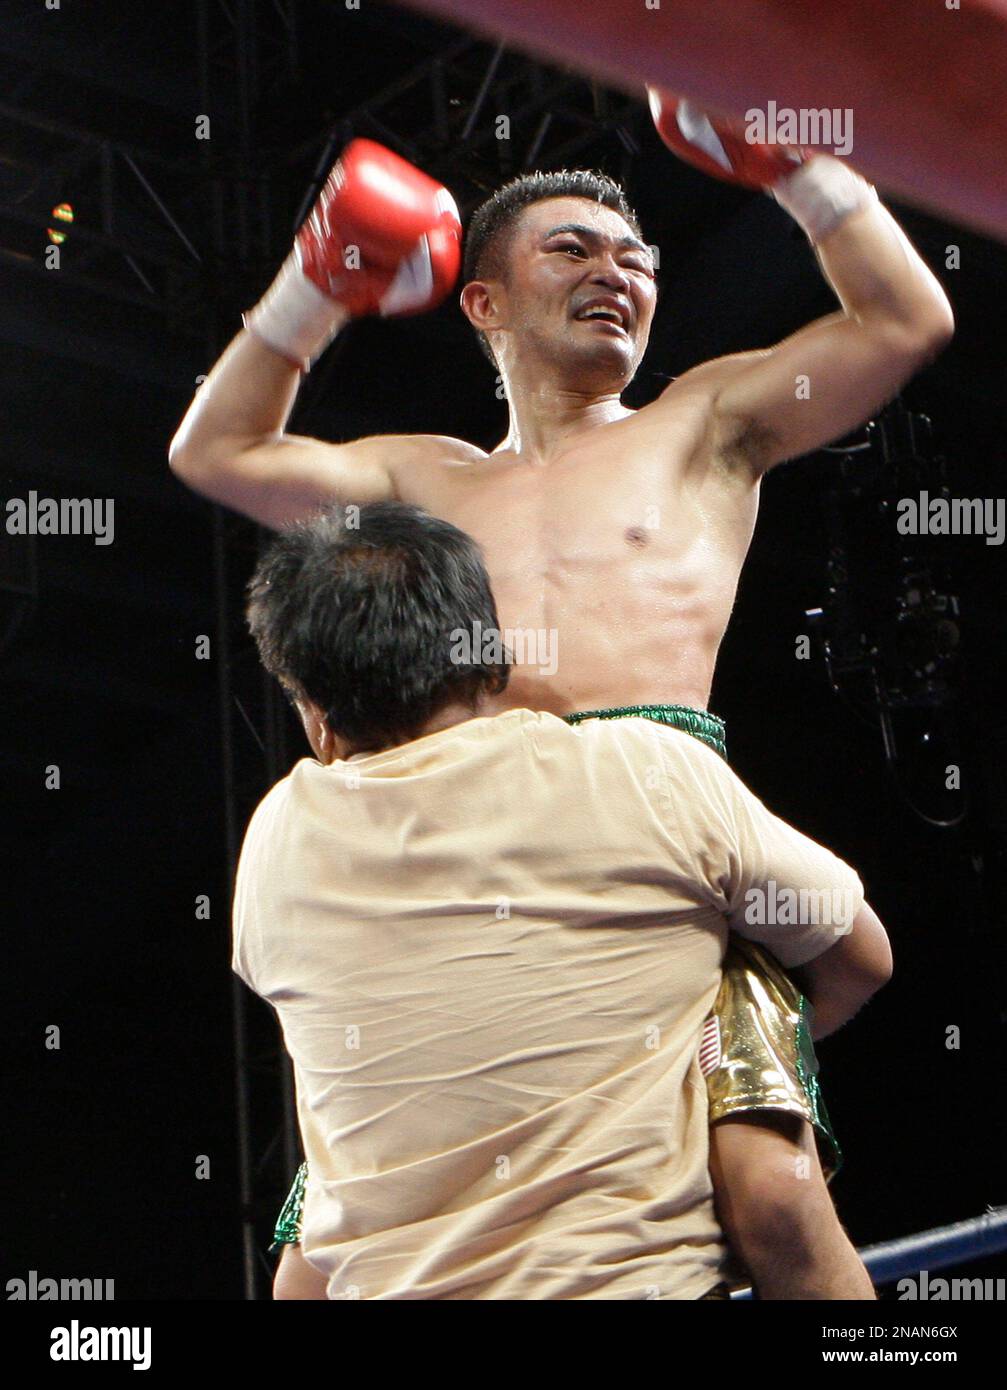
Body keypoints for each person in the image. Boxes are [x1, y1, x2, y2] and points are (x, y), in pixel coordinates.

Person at [170, 118, 951, 1295]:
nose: (615, 272)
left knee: (772, 1191)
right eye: (573, 250)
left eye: (635, 258)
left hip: (662, 847)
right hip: (447, 867)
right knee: (308, 1268)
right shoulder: (418, 479)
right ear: (480, 302)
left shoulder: (702, 424)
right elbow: (217, 452)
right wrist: (314, 286)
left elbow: (904, 321)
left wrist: (796, 165)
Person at [233, 500, 892, 1300]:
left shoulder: (276, 845)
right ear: (492, 658)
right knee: (742, 972)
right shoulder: (645, 768)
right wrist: (709, 1056)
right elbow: (859, 957)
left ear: (313, 717)